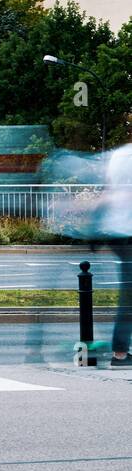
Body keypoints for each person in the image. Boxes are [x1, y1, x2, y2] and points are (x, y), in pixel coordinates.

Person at [99, 146, 132, 366]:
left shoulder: (120, 155)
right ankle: (119, 352)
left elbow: (109, 190)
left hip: (118, 232)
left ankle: (120, 351)